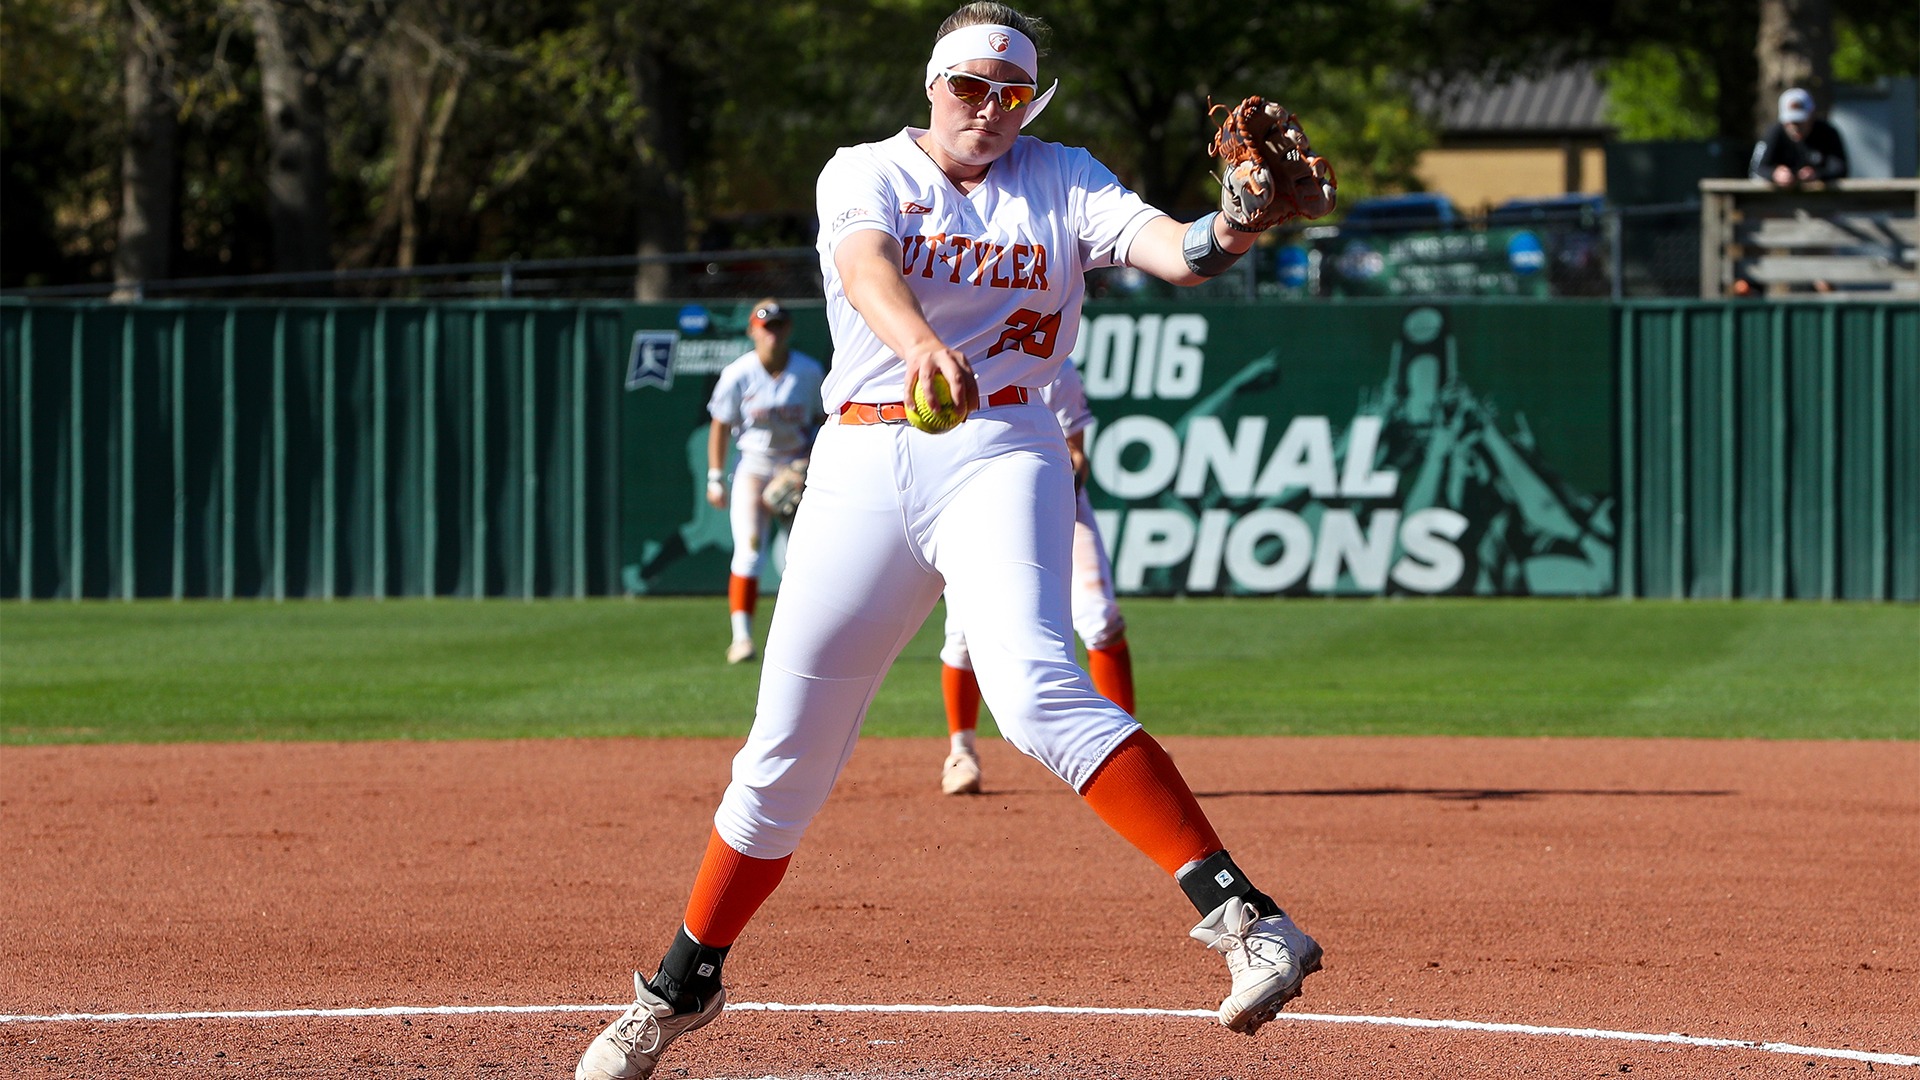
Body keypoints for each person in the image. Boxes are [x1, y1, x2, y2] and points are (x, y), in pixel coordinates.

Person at [575, 6, 1330, 1077]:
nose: (990, 107)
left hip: (1005, 446)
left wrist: (1238, 223)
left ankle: (1249, 922)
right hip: (864, 459)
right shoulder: (865, 169)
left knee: (1031, 685)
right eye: (971, 86)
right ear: (933, 85)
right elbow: (866, 266)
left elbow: (1176, 249)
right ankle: (681, 986)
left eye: (1010, 92)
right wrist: (923, 342)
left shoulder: (1062, 176)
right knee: (781, 757)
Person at [938, 357, 1133, 795]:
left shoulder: (1053, 365)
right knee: (964, 633)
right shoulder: (948, 360)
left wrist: (1049, 492)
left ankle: (1124, 746)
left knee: (1100, 618)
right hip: (968, 507)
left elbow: (1077, 452)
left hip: (1058, 500)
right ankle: (962, 752)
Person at [704, 299, 827, 663]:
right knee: (749, 552)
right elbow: (720, 425)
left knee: (801, 558)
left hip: (794, 467)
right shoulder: (739, 373)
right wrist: (715, 477)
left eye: (778, 325)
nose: (772, 332)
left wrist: (807, 466)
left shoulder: (808, 371)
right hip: (754, 468)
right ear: (752, 331)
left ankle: (802, 641)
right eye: (765, 326)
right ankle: (741, 638)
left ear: (787, 329)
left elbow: (822, 421)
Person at [1749, 87, 1849, 187]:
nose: (1795, 127)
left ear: (1811, 116)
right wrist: (1775, 174)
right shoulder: (1774, 132)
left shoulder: (1828, 133)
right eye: (1791, 121)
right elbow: (1757, 168)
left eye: (1800, 121)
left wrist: (1817, 174)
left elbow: (1840, 168)